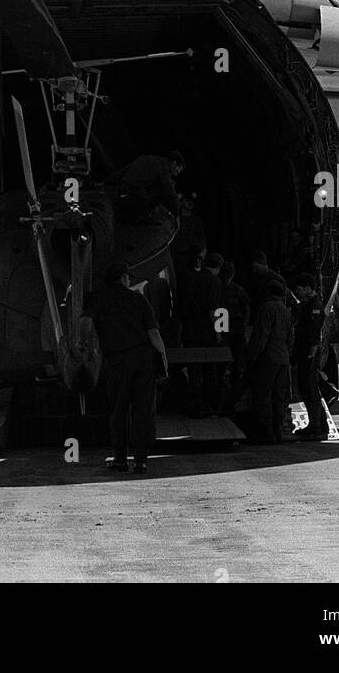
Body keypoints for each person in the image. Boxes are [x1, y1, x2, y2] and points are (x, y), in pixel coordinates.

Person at [81, 262, 167, 474]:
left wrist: (83, 346)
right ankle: (140, 461)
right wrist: (163, 359)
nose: (130, 281)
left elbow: (85, 322)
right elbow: (154, 334)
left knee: (119, 410)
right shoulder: (138, 299)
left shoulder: (97, 298)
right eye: (128, 277)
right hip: (143, 361)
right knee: (143, 410)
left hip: (117, 362)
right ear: (122, 278)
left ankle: (120, 459)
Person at [246, 275, 294, 442]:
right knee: (279, 397)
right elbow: (290, 337)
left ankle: (266, 433)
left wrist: (251, 356)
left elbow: (261, 336)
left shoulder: (266, 309)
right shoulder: (286, 310)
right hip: (283, 358)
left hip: (268, 358)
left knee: (263, 395)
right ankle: (278, 430)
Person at [177, 247, 224, 415]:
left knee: (193, 370)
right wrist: (220, 331)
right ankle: (209, 405)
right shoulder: (214, 282)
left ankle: (193, 406)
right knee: (210, 370)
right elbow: (216, 310)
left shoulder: (187, 277)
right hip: (207, 332)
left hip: (190, 329)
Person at [293, 273, 327, 439]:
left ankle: (316, 425)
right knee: (308, 387)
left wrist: (312, 352)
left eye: (299, 288)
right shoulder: (306, 304)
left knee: (309, 388)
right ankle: (319, 423)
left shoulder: (314, 305)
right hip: (305, 351)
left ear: (307, 288)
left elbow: (315, 330)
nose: (297, 291)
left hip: (309, 352)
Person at [218, 260, 250, 412]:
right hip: (236, 330)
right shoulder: (237, 290)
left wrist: (221, 331)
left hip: (226, 329)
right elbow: (246, 311)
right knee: (236, 368)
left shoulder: (219, 289)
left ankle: (223, 402)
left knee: (223, 367)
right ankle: (231, 402)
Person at [116, 151, 184, 224]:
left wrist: (108, 181)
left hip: (121, 190)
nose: (176, 174)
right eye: (177, 170)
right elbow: (170, 192)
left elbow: (124, 170)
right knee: (162, 190)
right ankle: (141, 216)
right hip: (131, 195)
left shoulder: (146, 157)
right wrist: (177, 213)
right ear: (174, 163)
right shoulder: (163, 168)